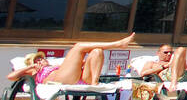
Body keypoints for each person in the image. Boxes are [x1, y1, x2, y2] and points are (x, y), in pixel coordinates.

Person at [8, 34, 136, 87]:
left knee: (97, 51)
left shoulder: (58, 65)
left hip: (76, 77)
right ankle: (118, 44)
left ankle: (94, 82)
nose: (41, 60)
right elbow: (11, 77)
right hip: (56, 80)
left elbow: (80, 68)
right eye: (37, 60)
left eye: (41, 58)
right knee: (79, 46)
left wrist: (88, 62)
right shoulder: (33, 72)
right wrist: (29, 68)